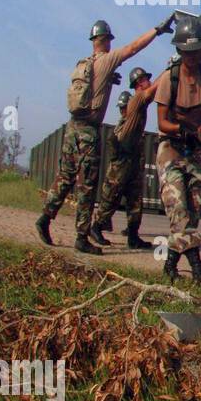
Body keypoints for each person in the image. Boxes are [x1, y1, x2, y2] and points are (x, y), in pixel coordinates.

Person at [36, 16, 173, 254]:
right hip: (89, 131)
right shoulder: (108, 59)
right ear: (105, 40)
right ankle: (81, 237)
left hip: (72, 127)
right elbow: (133, 48)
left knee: (65, 177)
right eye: (109, 39)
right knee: (88, 185)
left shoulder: (86, 63)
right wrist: (157, 30)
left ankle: (45, 218)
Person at [154, 15, 201, 283]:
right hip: (170, 147)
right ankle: (196, 267)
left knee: (196, 204)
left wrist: (197, 134)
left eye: (196, 52)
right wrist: (180, 131)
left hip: (194, 148)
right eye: (186, 52)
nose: (191, 58)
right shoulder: (168, 78)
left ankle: (170, 264)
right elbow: (161, 122)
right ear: (179, 51)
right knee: (178, 209)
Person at [88, 67, 158, 249]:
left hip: (132, 160)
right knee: (112, 195)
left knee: (135, 198)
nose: (148, 81)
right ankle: (96, 226)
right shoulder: (137, 100)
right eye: (144, 79)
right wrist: (171, 69)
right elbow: (154, 89)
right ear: (138, 84)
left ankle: (133, 236)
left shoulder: (139, 105)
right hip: (122, 162)